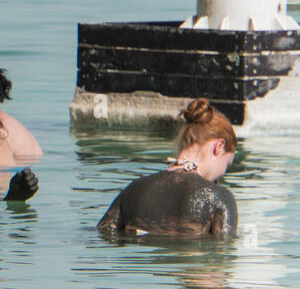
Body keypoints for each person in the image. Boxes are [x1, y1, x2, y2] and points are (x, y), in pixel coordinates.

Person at [97, 98, 238, 237]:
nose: (221, 176)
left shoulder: (133, 190)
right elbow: (223, 250)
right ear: (219, 146)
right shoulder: (220, 197)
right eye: (227, 165)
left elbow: (103, 233)